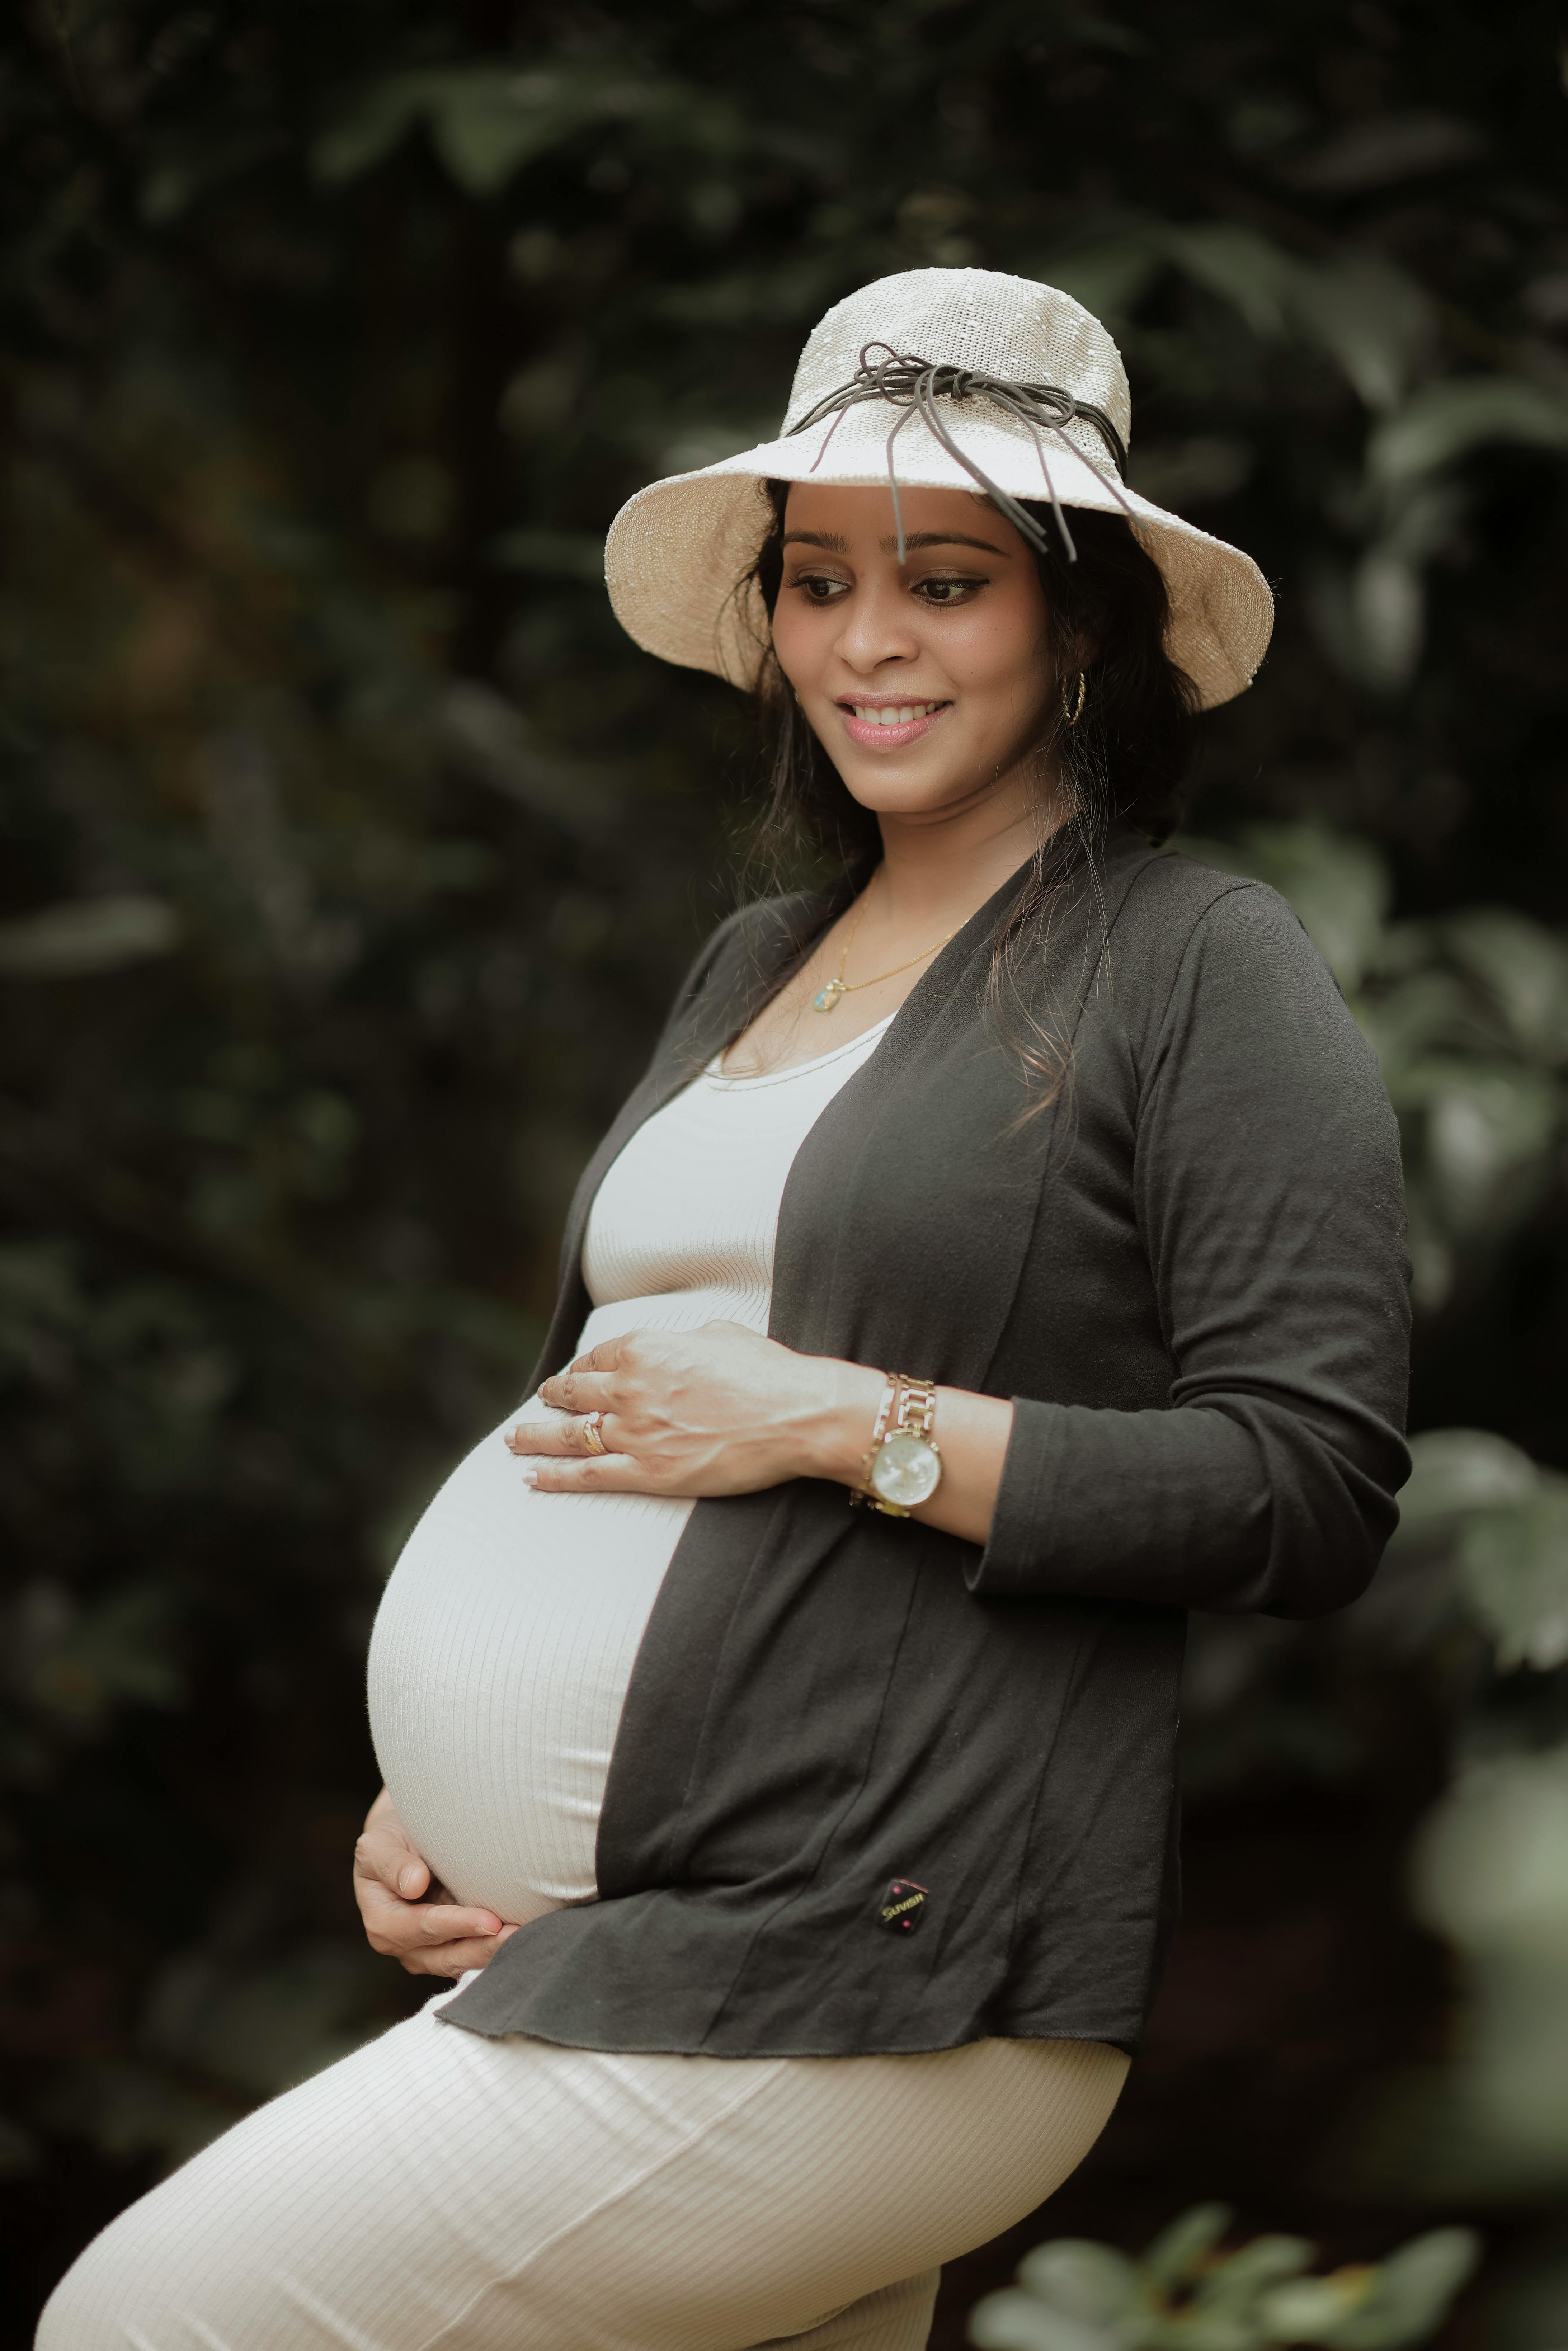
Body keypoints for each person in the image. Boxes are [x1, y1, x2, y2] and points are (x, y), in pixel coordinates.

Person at [38, 267, 1410, 2351]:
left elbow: (1302, 1487)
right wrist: (439, 1782)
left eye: (944, 581)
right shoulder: (758, 958)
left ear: (1081, 619)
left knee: (140, 2324)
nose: (867, 641)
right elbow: (600, 1395)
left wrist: (833, 1421)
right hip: (643, 1927)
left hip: (874, 1953)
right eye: (817, 579)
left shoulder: (1193, 962)